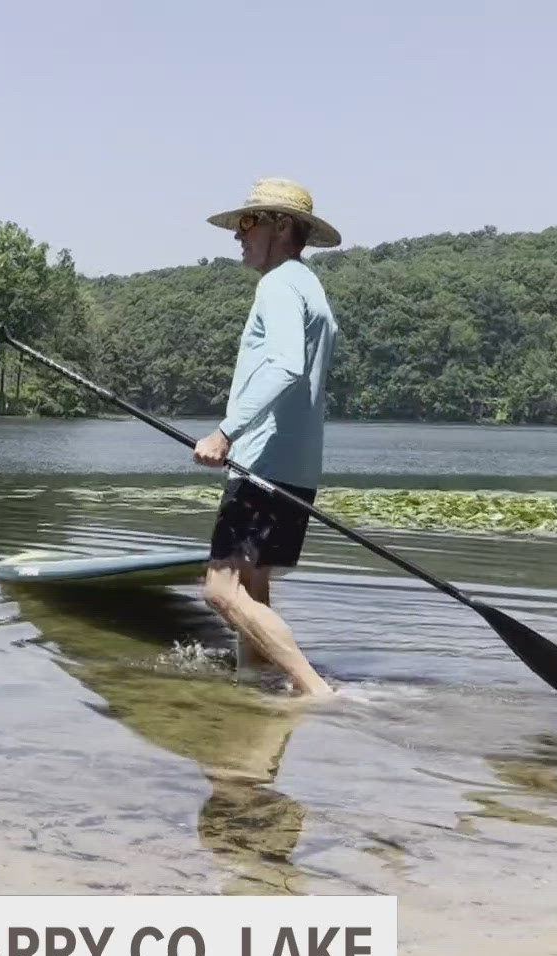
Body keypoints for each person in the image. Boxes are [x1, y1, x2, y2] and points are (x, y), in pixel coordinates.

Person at [189, 178, 341, 698]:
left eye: (248, 222)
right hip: (297, 470)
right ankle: (253, 687)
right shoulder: (310, 287)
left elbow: (284, 366)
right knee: (253, 587)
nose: (239, 235)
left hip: (262, 464)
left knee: (221, 591)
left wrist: (226, 432)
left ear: (281, 226)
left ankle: (313, 690)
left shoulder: (277, 285)